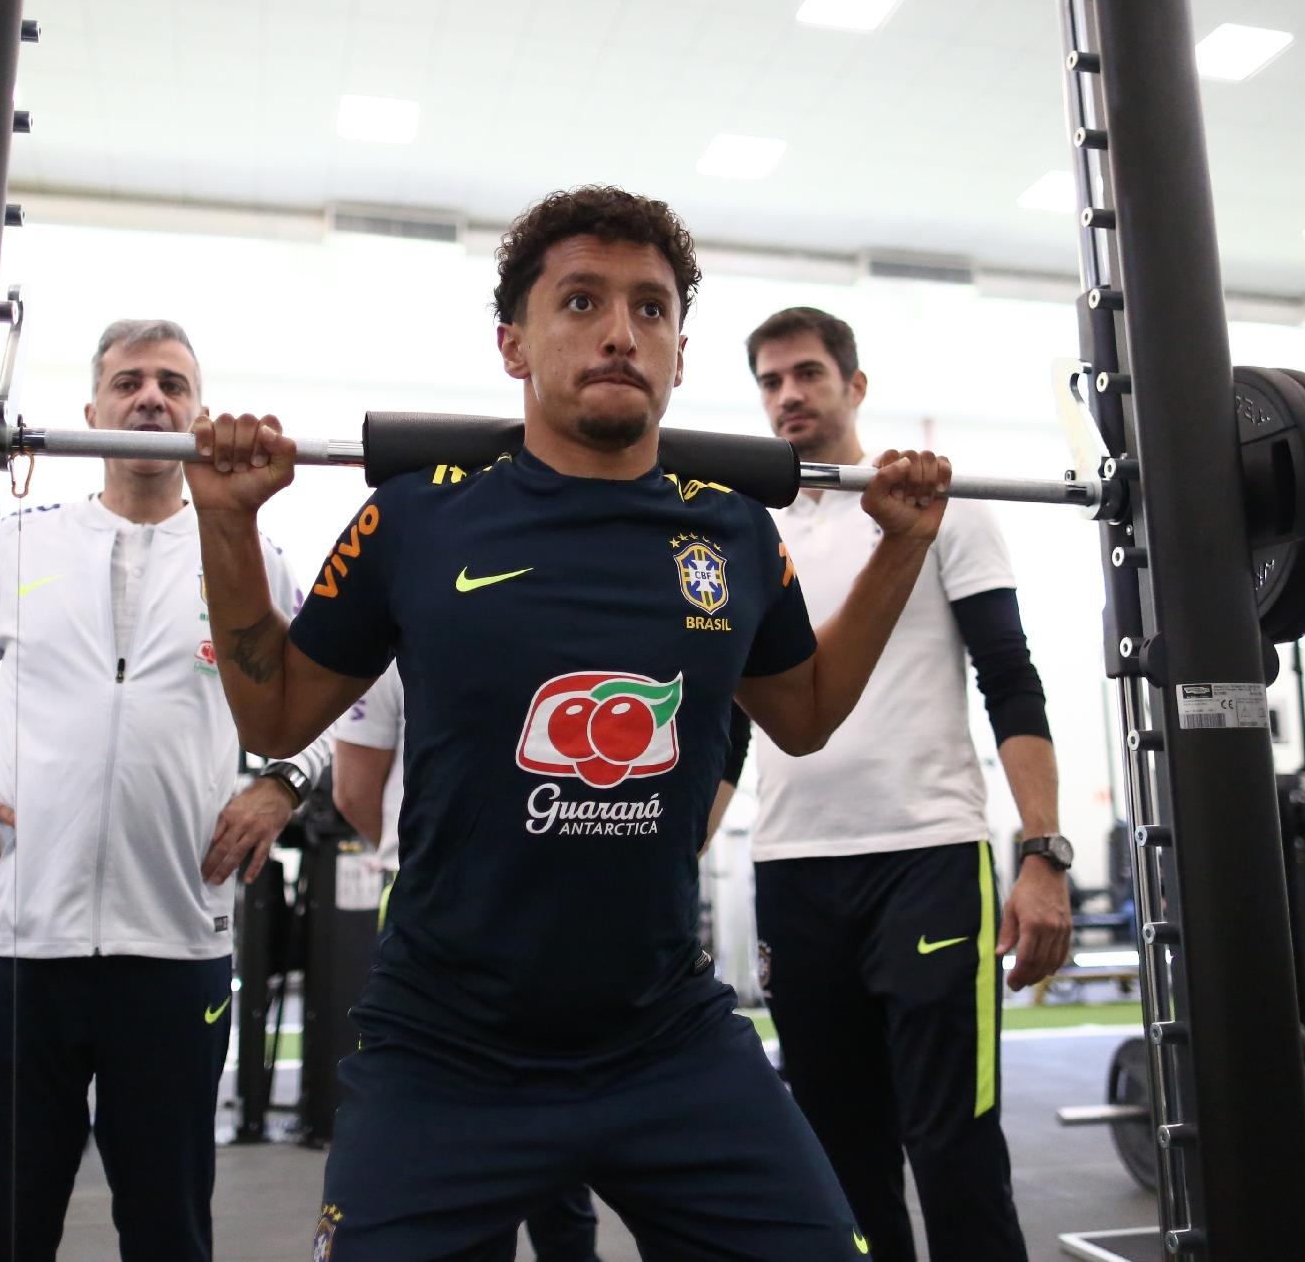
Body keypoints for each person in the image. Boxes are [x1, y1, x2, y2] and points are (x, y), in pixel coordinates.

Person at [190, 185, 950, 1260]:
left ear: (679, 355)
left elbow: (808, 713)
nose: (618, 332)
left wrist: (902, 549)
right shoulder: (417, 516)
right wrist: (227, 527)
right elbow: (272, 704)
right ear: (513, 343)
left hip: (663, 1032)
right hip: (445, 1044)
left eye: (650, 310)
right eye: (581, 301)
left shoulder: (731, 530)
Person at [0, 319, 332, 1262]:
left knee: (168, 1223)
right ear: (91, 411)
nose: (150, 398)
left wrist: (280, 784)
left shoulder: (249, 557)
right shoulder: (16, 543)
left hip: (172, 940)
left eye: (172, 383)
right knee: (2, 1223)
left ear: (199, 415)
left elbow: (321, 709)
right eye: (128, 383)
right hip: (16, 937)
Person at [738, 305, 1073, 1262]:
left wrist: (1042, 852)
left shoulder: (942, 509)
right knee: (839, 1164)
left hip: (926, 858)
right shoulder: (753, 532)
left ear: (855, 384)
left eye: (806, 372)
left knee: (953, 1149)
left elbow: (1011, 679)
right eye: (770, 380)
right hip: (795, 870)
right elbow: (726, 725)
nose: (789, 394)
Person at [334, 662, 603, 1262]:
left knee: (548, 1131)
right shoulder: (393, 621)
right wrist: (436, 857)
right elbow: (352, 791)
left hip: (545, 911)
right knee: (447, 1129)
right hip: (438, 920)